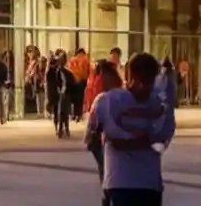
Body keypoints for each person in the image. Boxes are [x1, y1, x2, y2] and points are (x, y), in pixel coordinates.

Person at [91, 53, 175, 206]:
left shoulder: (107, 100)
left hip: (118, 181)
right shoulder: (159, 104)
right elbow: (164, 134)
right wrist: (143, 140)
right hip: (149, 184)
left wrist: (107, 162)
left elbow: (92, 138)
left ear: (128, 73)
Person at [84, 60, 124, 205]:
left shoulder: (99, 79)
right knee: (107, 169)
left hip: (98, 135)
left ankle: (106, 193)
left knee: (107, 170)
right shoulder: (103, 80)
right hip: (99, 136)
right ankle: (107, 193)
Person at [69, 48, 91, 120]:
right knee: (80, 99)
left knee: (75, 99)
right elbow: (89, 71)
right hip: (82, 81)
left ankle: (74, 114)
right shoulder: (85, 59)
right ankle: (79, 114)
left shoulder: (72, 60)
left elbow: (69, 70)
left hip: (73, 81)